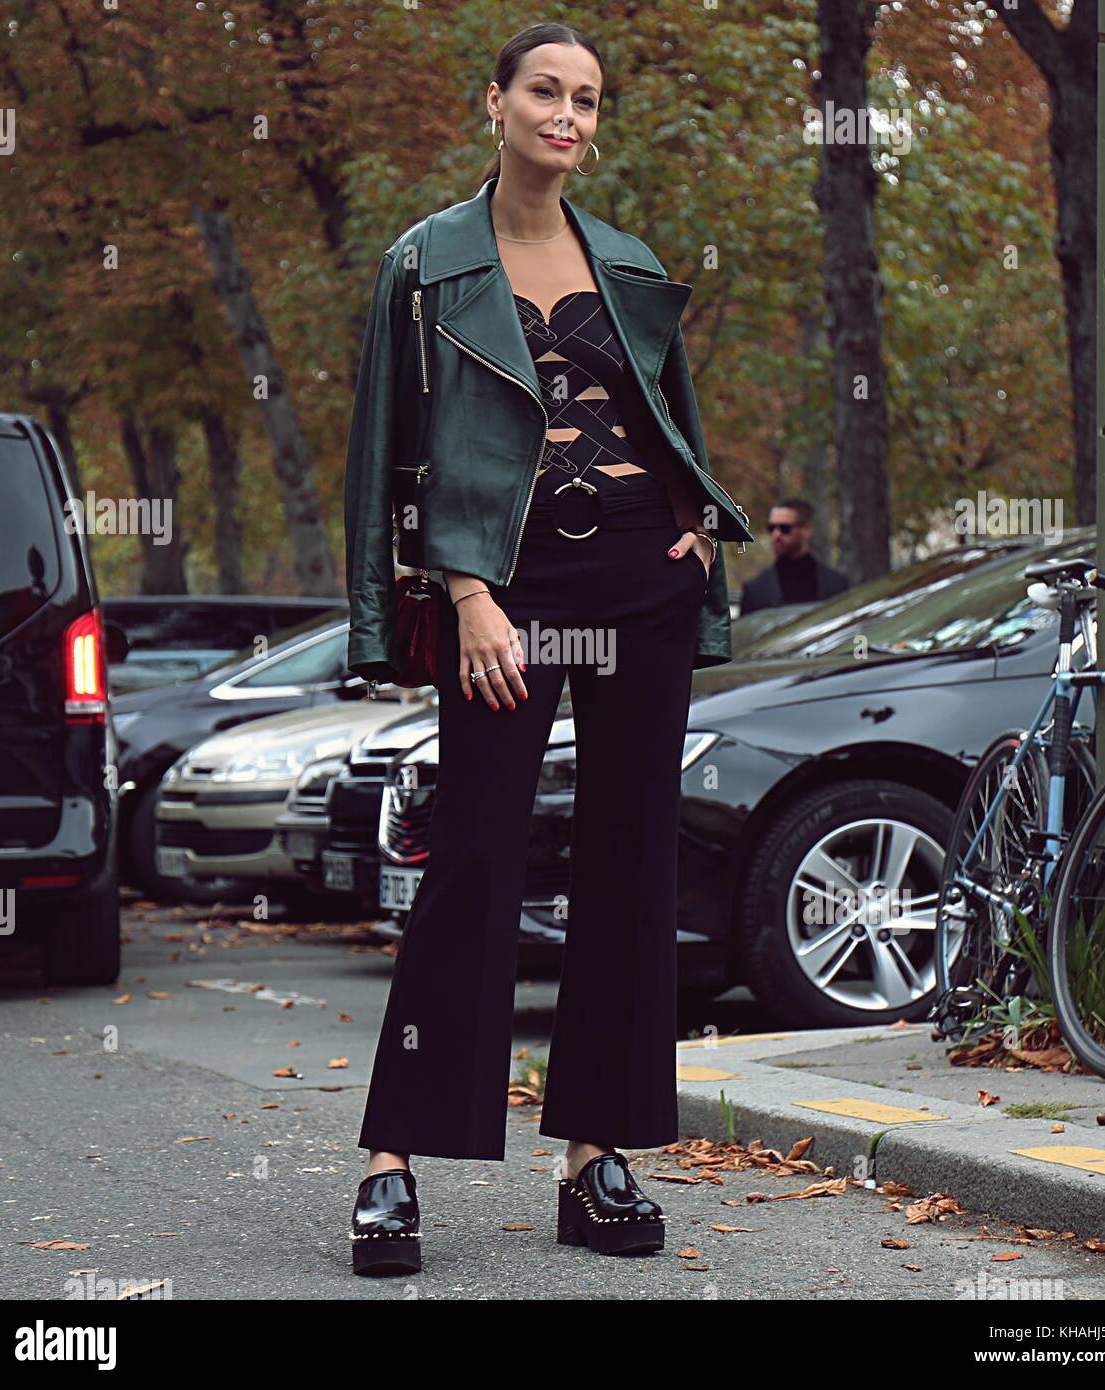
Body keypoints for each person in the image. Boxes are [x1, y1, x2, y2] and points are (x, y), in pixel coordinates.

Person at [341, 21, 753, 1276]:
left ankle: (597, 1154)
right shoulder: (425, 264)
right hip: (505, 588)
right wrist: (457, 592)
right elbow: (389, 453)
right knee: (474, 851)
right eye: (545, 93)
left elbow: (672, 418)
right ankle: (391, 1163)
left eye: (587, 100)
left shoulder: (625, 259)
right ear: (497, 106)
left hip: (641, 577)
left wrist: (693, 535)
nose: (567, 115)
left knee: (632, 863)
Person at [738, 498, 849, 614]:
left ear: (806, 529)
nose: (776, 535)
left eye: (785, 529)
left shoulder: (836, 585)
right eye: (772, 528)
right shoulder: (756, 590)